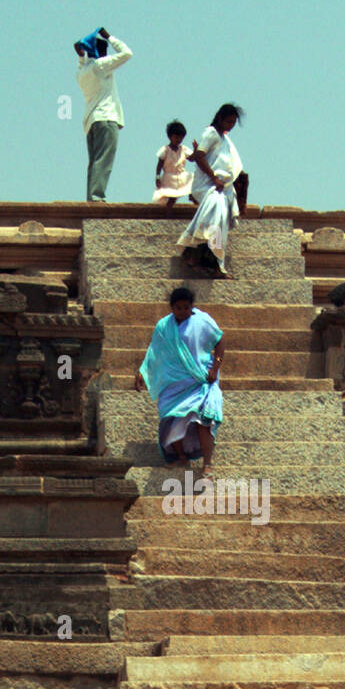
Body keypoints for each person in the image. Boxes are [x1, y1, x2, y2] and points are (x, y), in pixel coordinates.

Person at [133, 285, 224, 478]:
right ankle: (181, 456)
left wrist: (215, 368)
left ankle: (207, 464)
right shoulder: (164, 326)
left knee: (203, 422)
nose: (182, 312)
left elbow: (219, 341)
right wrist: (142, 373)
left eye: (186, 307)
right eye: (178, 308)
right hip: (173, 383)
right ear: (172, 307)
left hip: (200, 379)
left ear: (191, 306)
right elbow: (154, 352)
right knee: (170, 417)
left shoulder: (203, 321)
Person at [178, 103, 246, 277]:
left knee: (218, 219)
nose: (230, 125)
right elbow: (200, 157)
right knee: (215, 213)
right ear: (220, 118)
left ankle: (211, 261)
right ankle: (196, 255)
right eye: (228, 121)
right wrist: (215, 177)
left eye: (233, 123)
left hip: (220, 187)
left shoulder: (224, 138)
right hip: (209, 185)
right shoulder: (211, 133)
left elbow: (197, 156)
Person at [74, 26, 132, 201]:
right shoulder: (100, 66)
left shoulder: (82, 72)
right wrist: (110, 37)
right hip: (106, 118)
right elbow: (127, 53)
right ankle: (96, 197)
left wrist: (81, 51)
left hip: (91, 121)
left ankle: (92, 198)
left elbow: (82, 60)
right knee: (104, 160)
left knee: (95, 162)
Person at [152, 121, 193, 206]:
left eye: (181, 138)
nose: (179, 140)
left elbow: (192, 158)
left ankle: (193, 198)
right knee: (172, 198)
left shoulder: (184, 149)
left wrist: (196, 150)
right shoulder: (165, 150)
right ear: (170, 137)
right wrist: (157, 177)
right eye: (176, 137)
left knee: (193, 181)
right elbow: (159, 164)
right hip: (170, 178)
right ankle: (168, 216)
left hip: (182, 176)